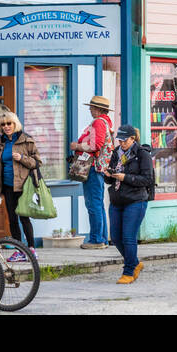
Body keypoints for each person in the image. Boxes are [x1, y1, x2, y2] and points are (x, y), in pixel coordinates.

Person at [105, 124, 153, 284]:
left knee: (128, 237)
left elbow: (147, 179)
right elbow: (110, 179)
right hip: (117, 200)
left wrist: (125, 177)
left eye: (125, 141)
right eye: (120, 140)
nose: (122, 143)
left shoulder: (142, 154)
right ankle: (135, 263)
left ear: (133, 139)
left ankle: (128, 272)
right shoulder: (115, 153)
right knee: (116, 237)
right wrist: (108, 174)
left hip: (136, 200)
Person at [0, 112, 40, 249]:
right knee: (12, 219)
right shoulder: (0, 142)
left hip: (23, 185)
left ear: (15, 124)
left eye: (9, 123)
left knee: (24, 217)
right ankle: (19, 249)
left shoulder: (26, 140)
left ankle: (31, 249)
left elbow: (37, 162)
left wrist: (22, 158)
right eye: (3, 124)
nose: (6, 126)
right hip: (7, 186)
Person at [71, 95, 114, 249]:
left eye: (91, 107)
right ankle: (102, 238)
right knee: (98, 204)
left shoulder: (98, 122)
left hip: (93, 168)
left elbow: (95, 145)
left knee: (93, 204)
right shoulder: (106, 122)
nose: (89, 109)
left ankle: (96, 240)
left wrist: (77, 146)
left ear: (97, 109)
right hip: (99, 168)